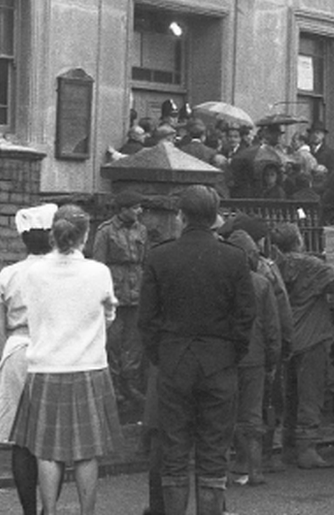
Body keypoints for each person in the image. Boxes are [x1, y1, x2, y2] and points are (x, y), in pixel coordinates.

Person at [138, 185, 256, 515]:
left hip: (174, 359)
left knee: (174, 451)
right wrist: (232, 353)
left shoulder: (160, 256)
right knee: (214, 451)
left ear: (182, 216)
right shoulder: (234, 257)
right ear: (214, 218)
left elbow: (147, 318)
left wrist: (161, 354)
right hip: (219, 361)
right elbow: (246, 315)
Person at [11, 204, 122, 515]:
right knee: (87, 452)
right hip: (88, 366)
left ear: (53, 234)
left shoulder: (33, 273)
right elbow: (109, 314)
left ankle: (49, 511)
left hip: (46, 367)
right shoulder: (99, 272)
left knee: (47, 451)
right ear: (85, 236)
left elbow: (32, 310)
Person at [270, 223, 334, 470]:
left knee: (290, 396)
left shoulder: (276, 265)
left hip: (287, 338)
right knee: (311, 395)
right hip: (311, 337)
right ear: (299, 240)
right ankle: (307, 449)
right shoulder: (311, 266)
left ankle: (289, 446)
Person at [0, 203, 57, 515]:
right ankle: (48, 508)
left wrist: (6, 351)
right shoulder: (63, 271)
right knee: (52, 436)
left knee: (21, 438)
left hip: (18, 349)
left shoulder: (9, 274)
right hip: (53, 351)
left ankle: (29, 510)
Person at [226, 231, 282, 486]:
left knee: (225, 414)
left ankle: (229, 470)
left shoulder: (220, 282)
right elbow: (272, 327)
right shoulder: (262, 284)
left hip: (226, 358)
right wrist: (272, 360)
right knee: (252, 414)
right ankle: (255, 470)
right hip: (255, 357)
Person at [91, 190, 149, 422]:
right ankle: (114, 392)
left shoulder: (141, 230)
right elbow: (98, 264)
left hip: (136, 293)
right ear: (123, 209)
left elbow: (145, 260)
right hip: (114, 294)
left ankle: (131, 390)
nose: (139, 211)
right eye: (135, 207)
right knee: (112, 345)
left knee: (133, 346)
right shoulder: (105, 231)